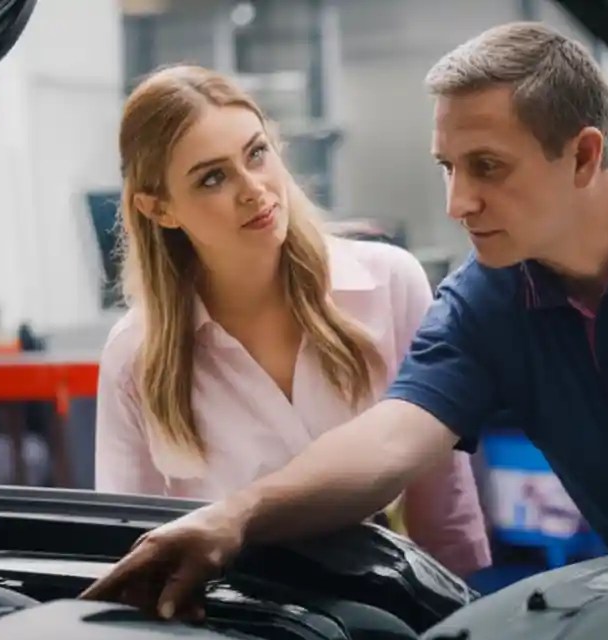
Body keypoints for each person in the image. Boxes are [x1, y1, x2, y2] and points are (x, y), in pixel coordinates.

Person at [83, 23, 608, 621]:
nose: (458, 202)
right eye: (448, 167)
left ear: (584, 155)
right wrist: (236, 517)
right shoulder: (489, 302)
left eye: (487, 168)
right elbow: (388, 443)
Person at [91, 64, 491, 579]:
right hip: (232, 623)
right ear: (160, 208)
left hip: (382, 607)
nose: (253, 189)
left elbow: (442, 500)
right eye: (213, 177)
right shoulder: (135, 355)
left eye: (257, 153)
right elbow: (129, 541)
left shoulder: (390, 283)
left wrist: (461, 625)